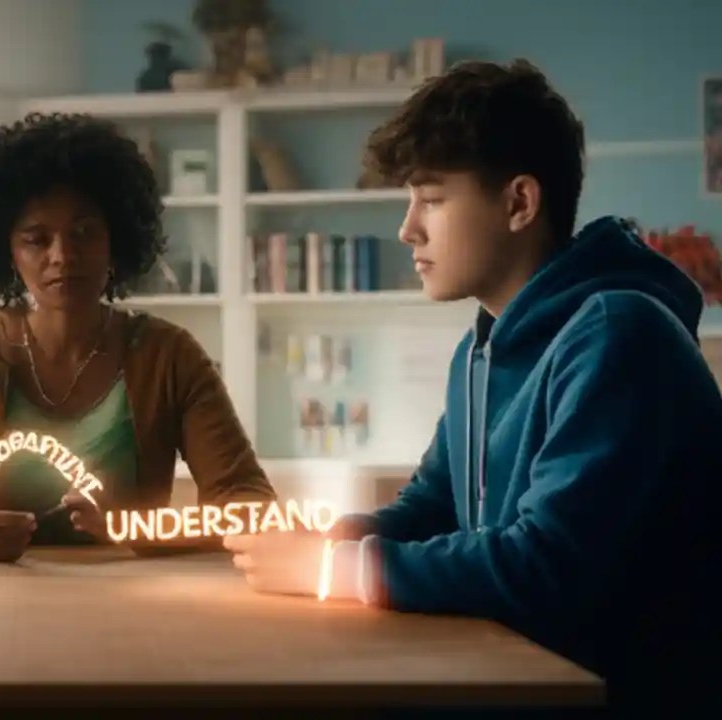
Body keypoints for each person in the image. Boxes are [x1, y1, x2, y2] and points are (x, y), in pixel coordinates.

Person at [224, 59, 722, 705]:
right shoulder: (480, 346)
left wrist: (330, 570)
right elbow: (431, 509)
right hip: (522, 674)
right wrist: (325, 540)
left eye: (431, 199)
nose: (407, 229)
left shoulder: (618, 333)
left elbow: (543, 567)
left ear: (519, 202)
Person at [0, 112, 276, 562]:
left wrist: (132, 529)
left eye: (83, 233)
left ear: (114, 239)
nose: (63, 255)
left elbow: (253, 509)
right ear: (7, 251)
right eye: (37, 239)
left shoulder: (170, 356)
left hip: (136, 614)